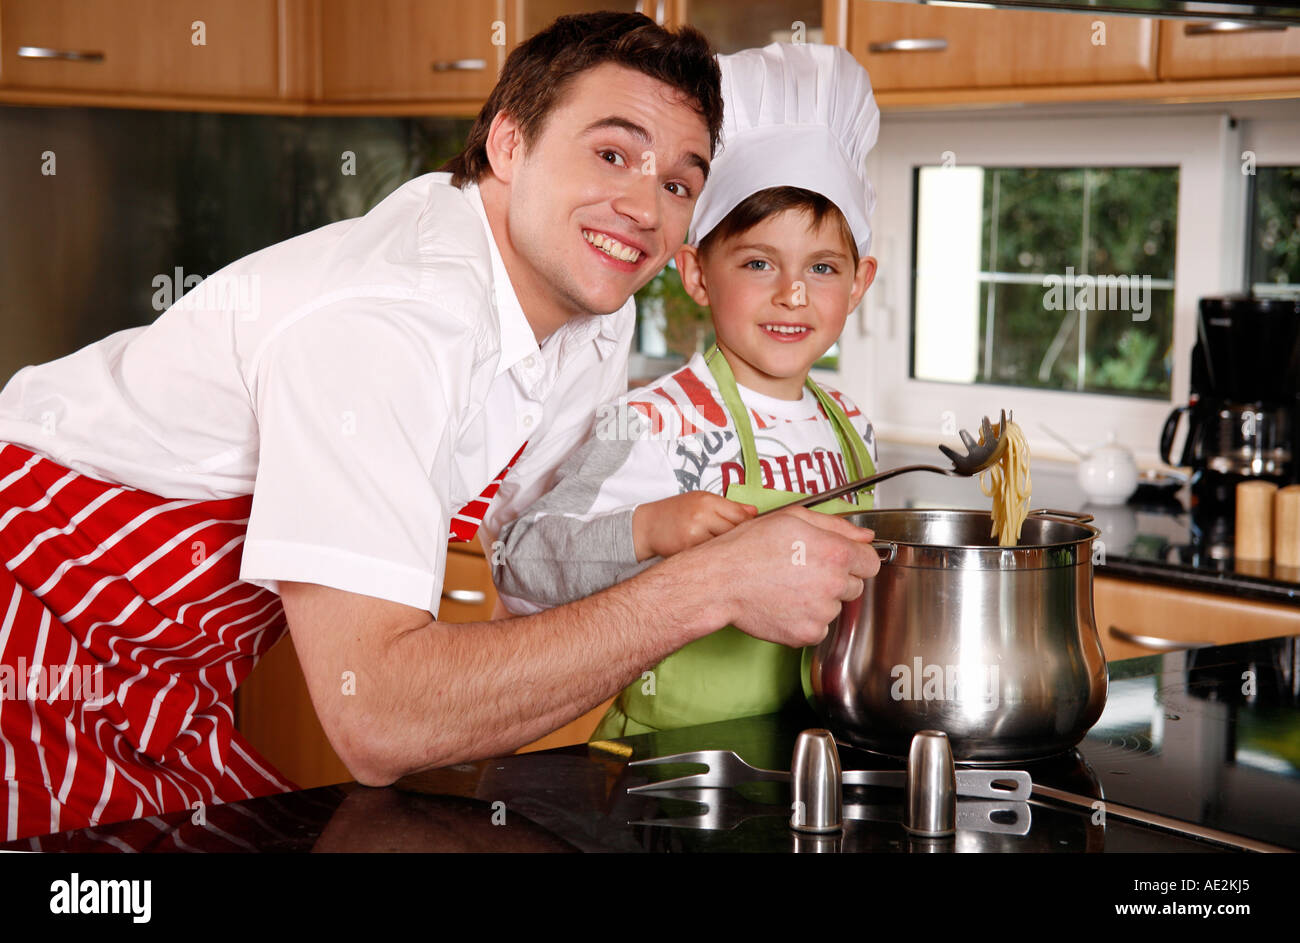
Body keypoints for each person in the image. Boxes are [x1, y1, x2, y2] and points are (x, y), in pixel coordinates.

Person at [0, 12, 880, 843]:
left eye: (678, 181)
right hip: (29, 640)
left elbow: (535, 572)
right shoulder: (386, 323)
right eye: (613, 152)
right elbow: (378, 720)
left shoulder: (592, 313)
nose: (644, 208)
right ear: (507, 142)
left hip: (174, 688)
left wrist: (661, 532)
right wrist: (711, 589)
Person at [493, 42, 882, 738]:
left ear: (859, 284)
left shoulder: (852, 424)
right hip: (668, 778)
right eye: (759, 262)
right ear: (697, 274)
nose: (793, 294)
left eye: (822, 268)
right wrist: (647, 529)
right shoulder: (652, 421)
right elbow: (522, 561)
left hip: (804, 754)